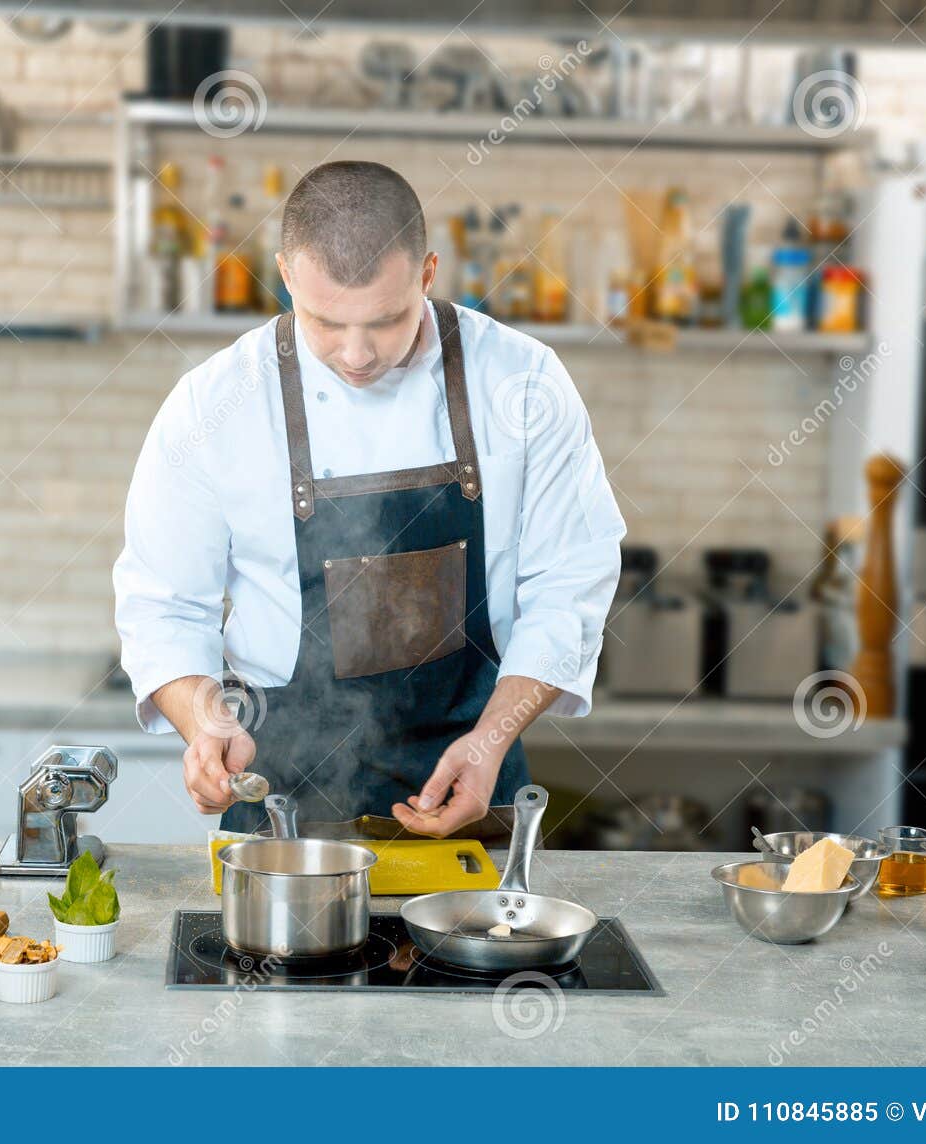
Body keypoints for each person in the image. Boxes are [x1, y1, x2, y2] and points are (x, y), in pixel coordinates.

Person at [114, 160, 624, 836]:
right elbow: (165, 604)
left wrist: (492, 738)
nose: (356, 354)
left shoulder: (522, 383)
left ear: (429, 274)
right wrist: (205, 724)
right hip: (282, 795)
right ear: (285, 275)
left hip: (472, 773)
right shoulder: (215, 403)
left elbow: (570, 583)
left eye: (386, 320)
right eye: (325, 322)